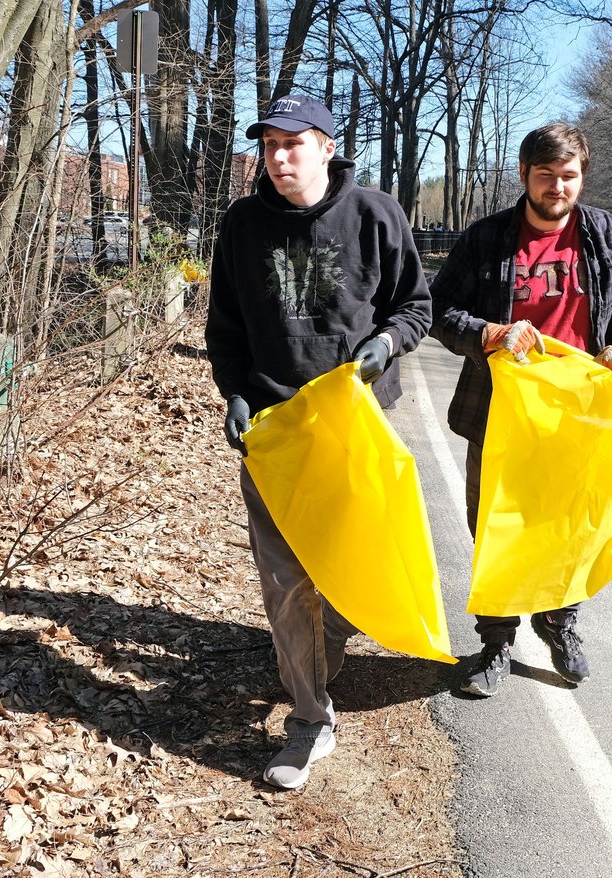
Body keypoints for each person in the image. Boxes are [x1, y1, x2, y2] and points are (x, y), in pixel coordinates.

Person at [205, 94, 432, 787]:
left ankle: (323, 641)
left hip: (351, 426)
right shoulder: (242, 225)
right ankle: (308, 720)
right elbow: (225, 325)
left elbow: (414, 305)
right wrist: (235, 392)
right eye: (268, 145)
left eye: (292, 143)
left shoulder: (374, 214)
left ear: (326, 147)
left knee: (346, 571)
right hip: (274, 430)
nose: (278, 157)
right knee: (285, 581)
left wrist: (385, 346)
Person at [430, 122, 612, 697]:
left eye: (568, 176)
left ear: (582, 177)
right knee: (497, 528)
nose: (557, 187)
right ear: (524, 175)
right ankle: (496, 643)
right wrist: (490, 331)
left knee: (572, 527)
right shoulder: (487, 239)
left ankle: (560, 622)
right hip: (502, 414)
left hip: (583, 419)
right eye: (545, 176)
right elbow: (439, 308)